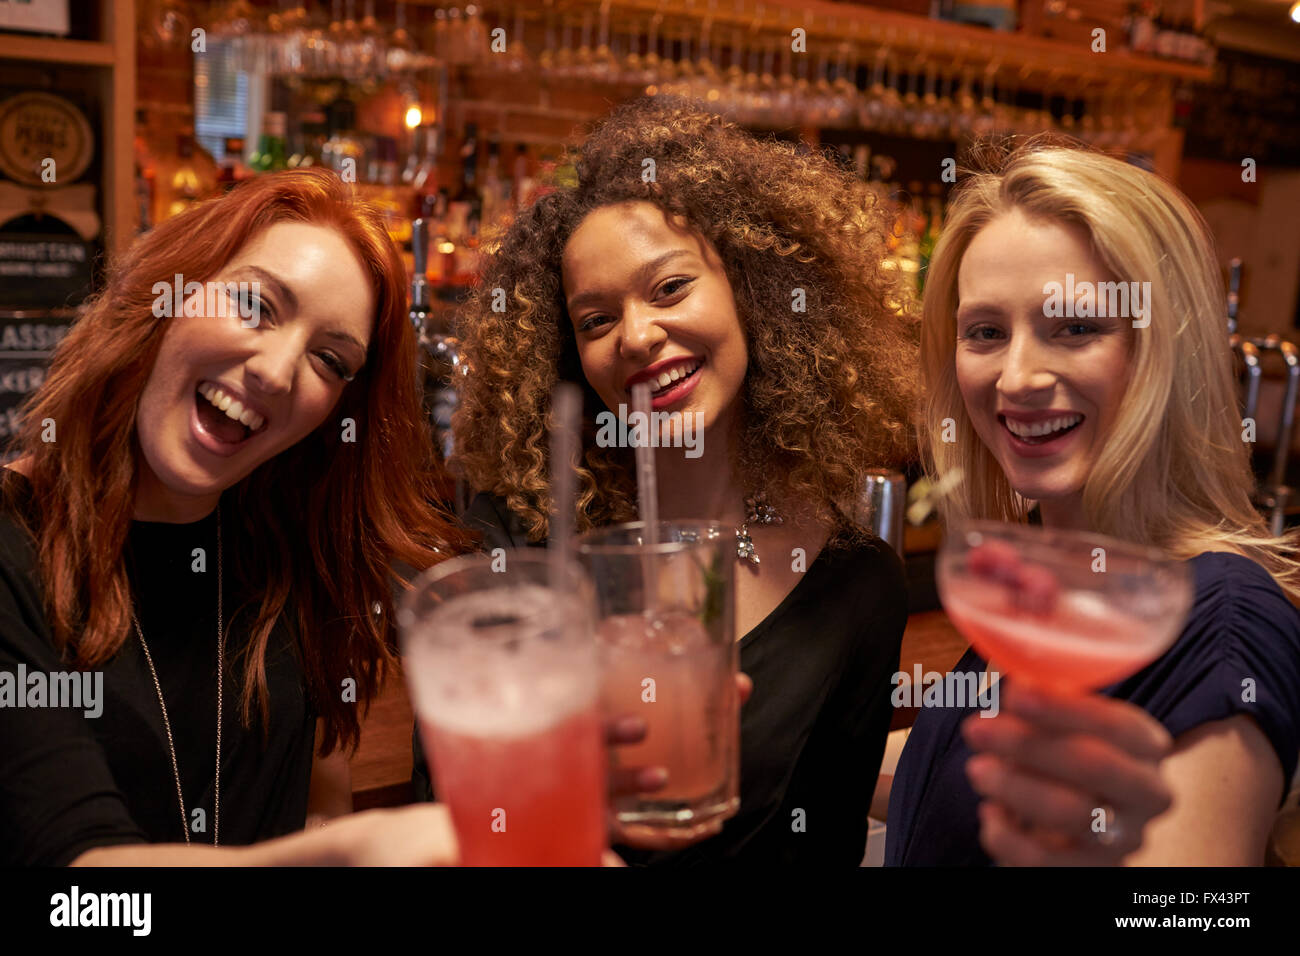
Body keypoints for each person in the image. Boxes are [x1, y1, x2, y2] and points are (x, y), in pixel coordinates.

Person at [413, 95, 920, 865]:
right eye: (595, 320)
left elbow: (827, 843)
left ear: (751, 292)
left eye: (671, 288)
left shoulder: (859, 583)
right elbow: (438, 817)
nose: (639, 336)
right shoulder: (518, 542)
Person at [0, 167, 474, 865]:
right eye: (255, 303)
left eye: (329, 359)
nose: (278, 372)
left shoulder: (291, 557)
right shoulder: (14, 550)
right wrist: (365, 847)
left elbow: (318, 802)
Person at [887, 140, 1300, 865]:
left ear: (1164, 350)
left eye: (1075, 327)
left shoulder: (1222, 623)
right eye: (986, 332)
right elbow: (956, 779)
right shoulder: (1063, 581)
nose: (1016, 377)